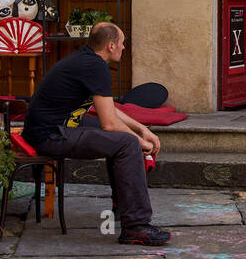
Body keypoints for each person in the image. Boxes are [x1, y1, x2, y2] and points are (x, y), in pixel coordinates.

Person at [22, 22, 170, 245]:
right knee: (127, 143)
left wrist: (142, 128)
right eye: (122, 44)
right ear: (111, 45)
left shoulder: (86, 60)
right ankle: (136, 227)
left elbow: (110, 111)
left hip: (56, 128)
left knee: (122, 138)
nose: (123, 48)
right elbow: (110, 124)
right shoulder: (95, 66)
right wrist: (140, 142)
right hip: (49, 136)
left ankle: (123, 207)